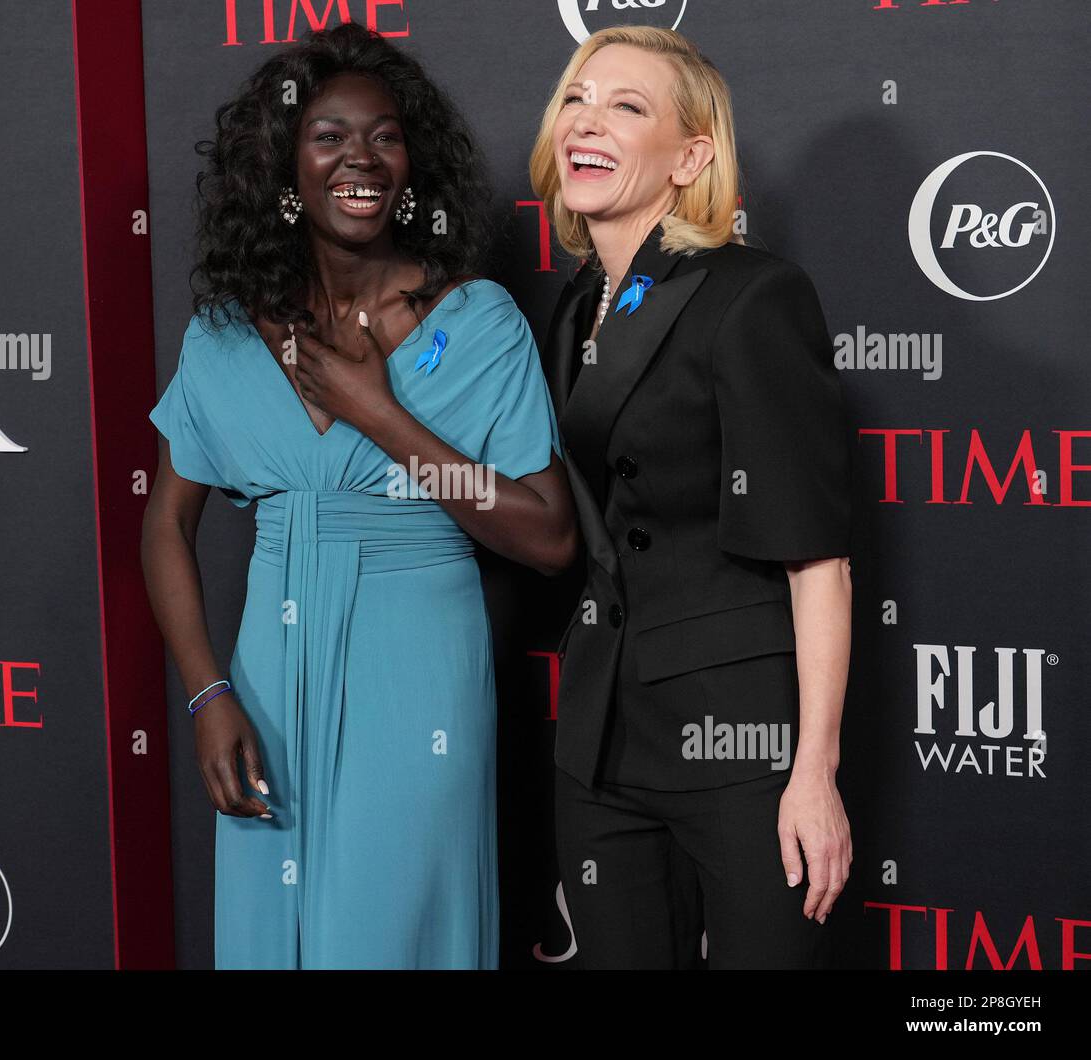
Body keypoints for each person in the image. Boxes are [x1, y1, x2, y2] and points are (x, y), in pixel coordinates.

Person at [141, 22, 577, 969]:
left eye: (385, 135)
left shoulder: (473, 321)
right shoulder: (225, 334)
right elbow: (165, 525)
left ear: (411, 160)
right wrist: (208, 693)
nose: (361, 158)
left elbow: (547, 536)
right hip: (266, 675)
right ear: (283, 163)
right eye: (329, 135)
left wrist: (382, 417)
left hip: (417, 670)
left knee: (393, 925)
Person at [529, 25, 854, 969]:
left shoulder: (753, 296)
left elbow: (819, 560)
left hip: (741, 748)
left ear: (691, 157)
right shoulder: (572, 302)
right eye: (578, 100)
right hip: (597, 744)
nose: (588, 121)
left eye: (628, 106)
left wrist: (814, 776)